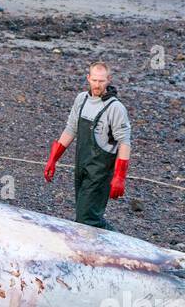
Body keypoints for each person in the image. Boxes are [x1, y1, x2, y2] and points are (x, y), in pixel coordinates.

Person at [42, 62, 132, 230]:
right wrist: (53, 159)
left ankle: (120, 244)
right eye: (94, 80)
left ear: (109, 80)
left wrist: (119, 177)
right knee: (84, 216)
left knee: (87, 219)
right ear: (88, 78)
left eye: (102, 81)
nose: (97, 85)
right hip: (81, 166)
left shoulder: (116, 108)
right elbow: (71, 129)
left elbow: (125, 143)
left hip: (100, 171)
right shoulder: (81, 99)